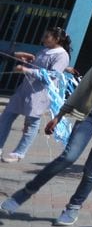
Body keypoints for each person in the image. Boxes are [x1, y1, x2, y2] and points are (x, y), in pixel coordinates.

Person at [1, 30, 92, 226]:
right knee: (68, 157)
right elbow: (82, 89)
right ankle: (23, 194)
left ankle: (73, 207)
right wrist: (60, 115)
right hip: (90, 117)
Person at [0, 27, 71, 163]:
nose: (43, 39)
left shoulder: (62, 55)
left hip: (40, 93)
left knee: (31, 123)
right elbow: (39, 67)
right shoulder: (45, 50)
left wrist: (26, 70)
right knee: (7, 116)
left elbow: (53, 75)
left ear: (57, 39)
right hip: (25, 89)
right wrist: (29, 63)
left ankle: (19, 153)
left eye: (47, 36)